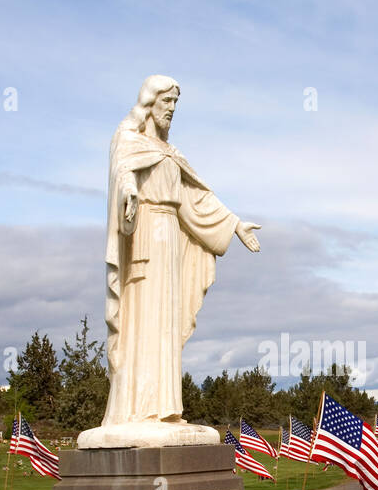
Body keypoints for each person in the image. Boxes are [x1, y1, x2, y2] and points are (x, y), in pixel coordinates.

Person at [101, 75, 261, 426]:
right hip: (144, 239)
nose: (172, 109)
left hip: (171, 240)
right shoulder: (130, 141)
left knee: (166, 325)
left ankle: (164, 408)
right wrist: (128, 194)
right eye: (167, 101)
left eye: (176, 103)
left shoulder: (173, 155)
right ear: (150, 102)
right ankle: (137, 408)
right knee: (143, 320)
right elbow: (123, 174)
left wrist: (233, 224)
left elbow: (196, 199)